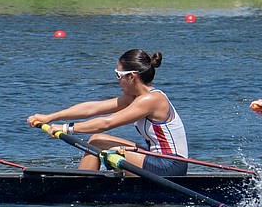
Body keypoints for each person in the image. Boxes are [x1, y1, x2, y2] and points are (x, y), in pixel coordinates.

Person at [27, 49, 189, 175]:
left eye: (118, 75)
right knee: (96, 141)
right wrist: (50, 117)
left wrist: (65, 128)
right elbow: (93, 108)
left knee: (111, 152)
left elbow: (107, 123)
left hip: (170, 165)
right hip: (155, 158)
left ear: (132, 77)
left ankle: (82, 190)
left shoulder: (152, 100)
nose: (117, 80)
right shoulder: (135, 97)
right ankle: (82, 182)